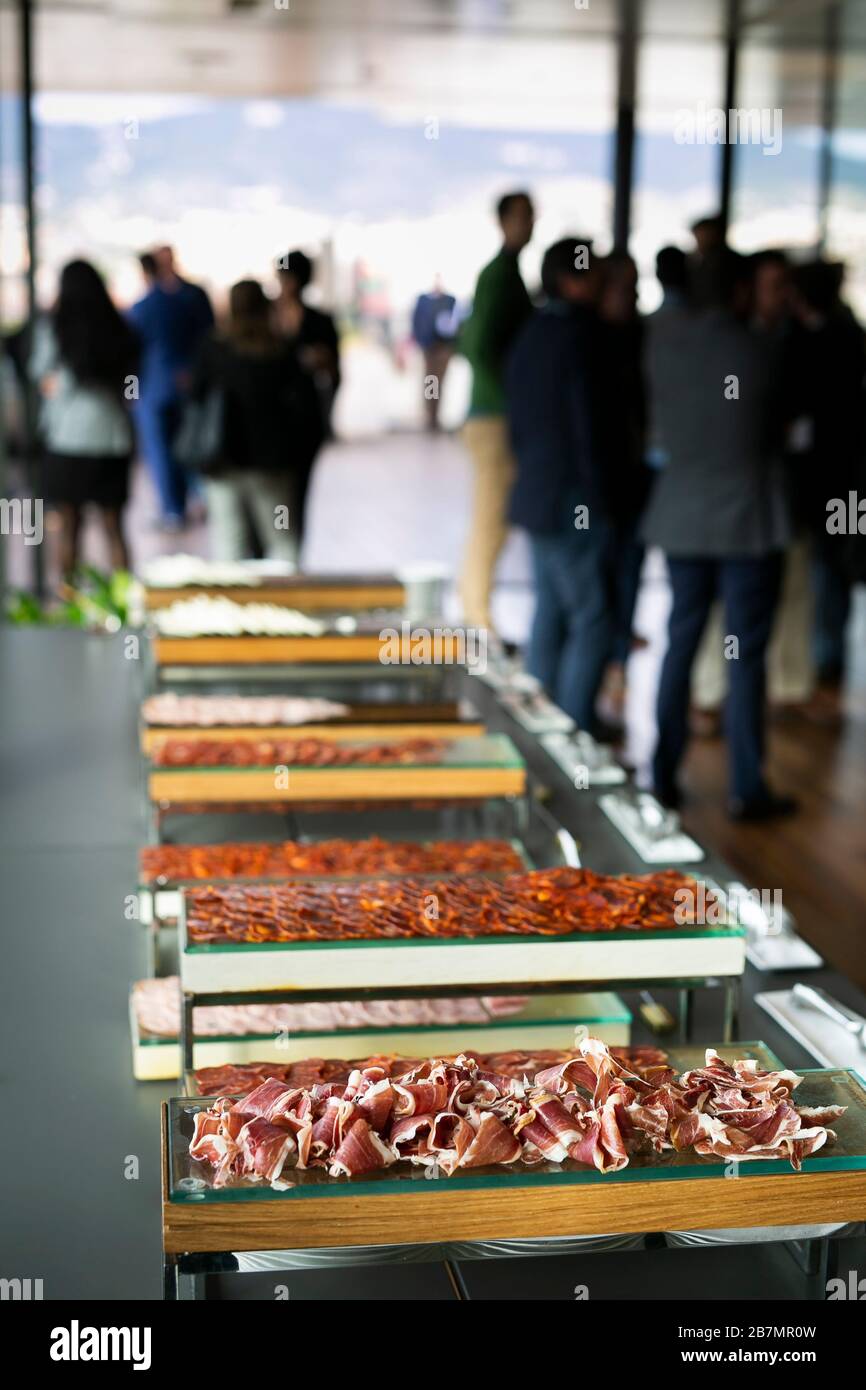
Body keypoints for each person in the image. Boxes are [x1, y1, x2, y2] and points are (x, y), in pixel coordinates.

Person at [643, 251, 796, 820]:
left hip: (681, 515)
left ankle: (661, 775)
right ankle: (747, 786)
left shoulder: (662, 344)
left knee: (679, 644)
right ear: (740, 292)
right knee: (745, 656)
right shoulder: (758, 352)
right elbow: (774, 431)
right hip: (747, 522)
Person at [506, 237, 615, 731]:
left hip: (536, 490)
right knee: (592, 618)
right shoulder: (584, 337)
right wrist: (601, 495)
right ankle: (574, 733)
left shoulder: (530, 332)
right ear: (572, 279)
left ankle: (537, 728)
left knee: (550, 609)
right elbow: (589, 423)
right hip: (573, 495)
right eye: (593, 272)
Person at [188, 279, 322, 564]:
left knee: (228, 542)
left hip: (222, 459)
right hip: (272, 462)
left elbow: (195, 396)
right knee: (282, 539)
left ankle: (234, 606)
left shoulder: (214, 348)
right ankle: (287, 603)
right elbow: (304, 406)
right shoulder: (281, 350)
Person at [30, 259, 139, 578]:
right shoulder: (119, 327)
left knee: (68, 529)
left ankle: (69, 607)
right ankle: (123, 605)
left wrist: (59, 382)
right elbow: (131, 386)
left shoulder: (55, 327)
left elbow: (41, 374)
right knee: (114, 527)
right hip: (112, 437)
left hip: (67, 438)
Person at [459, 190, 535, 632]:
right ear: (503, 220)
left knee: (495, 520)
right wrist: (511, 390)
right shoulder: (498, 276)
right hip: (493, 414)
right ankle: (478, 617)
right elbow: (477, 345)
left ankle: (478, 612)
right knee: (491, 518)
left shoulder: (508, 273)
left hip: (495, 411)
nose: (528, 225)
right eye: (522, 217)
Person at [129, 249, 214, 530]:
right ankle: (200, 497)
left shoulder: (140, 308)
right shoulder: (185, 301)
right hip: (183, 384)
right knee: (188, 444)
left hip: (151, 388)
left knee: (160, 452)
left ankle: (173, 510)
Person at [274, 249, 341, 548]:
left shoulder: (318, 321)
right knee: (275, 493)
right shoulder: (266, 318)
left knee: (297, 492)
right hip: (269, 418)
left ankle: (290, 554)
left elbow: (336, 372)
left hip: (304, 418)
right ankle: (274, 548)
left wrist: (327, 416)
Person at [411, 277, 457, 431]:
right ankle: (431, 416)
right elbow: (416, 323)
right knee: (431, 383)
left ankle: (435, 416)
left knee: (439, 383)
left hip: (443, 347)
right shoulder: (423, 301)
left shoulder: (450, 301)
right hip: (429, 348)